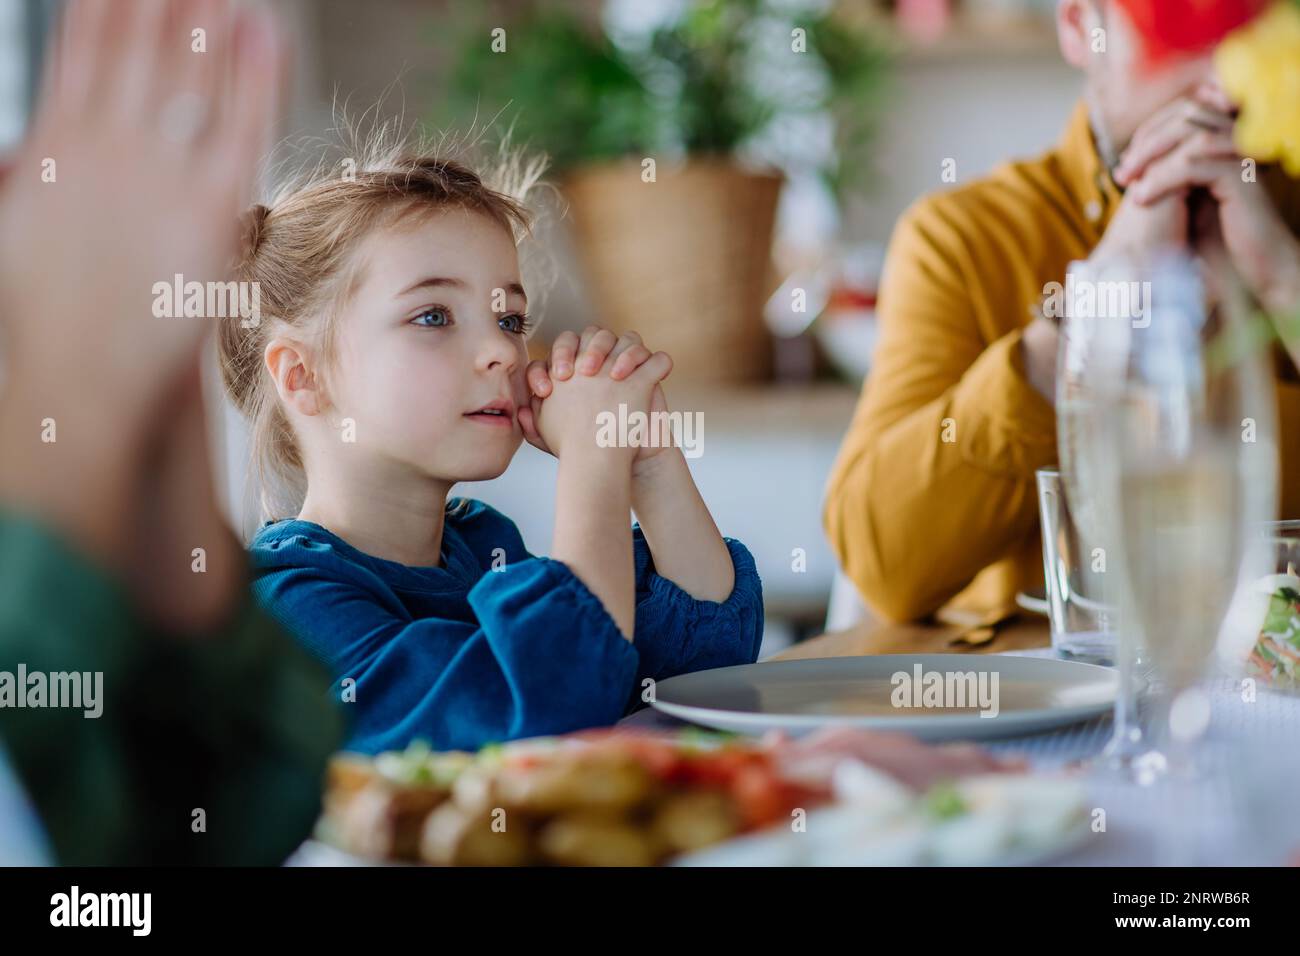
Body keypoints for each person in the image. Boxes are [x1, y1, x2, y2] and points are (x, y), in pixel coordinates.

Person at [217, 140, 764, 755]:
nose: (503, 351)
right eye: (433, 316)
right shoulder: (287, 603)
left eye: (509, 319)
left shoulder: (485, 548)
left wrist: (649, 464)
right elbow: (550, 704)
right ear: (302, 375)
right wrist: (591, 459)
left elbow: (705, 667)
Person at [823, 0, 1300, 624]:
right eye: (1169, 27)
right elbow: (881, 564)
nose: (1217, 72)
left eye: (1245, 31)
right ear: (1079, 25)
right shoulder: (964, 240)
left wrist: (1283, 280)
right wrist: (1087, 315)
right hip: (1028, 706)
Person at [0, 0, 342, 864]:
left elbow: (245, 805)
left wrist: (154, 453)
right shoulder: (314, 576)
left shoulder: (480, 542)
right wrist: (79, 414)